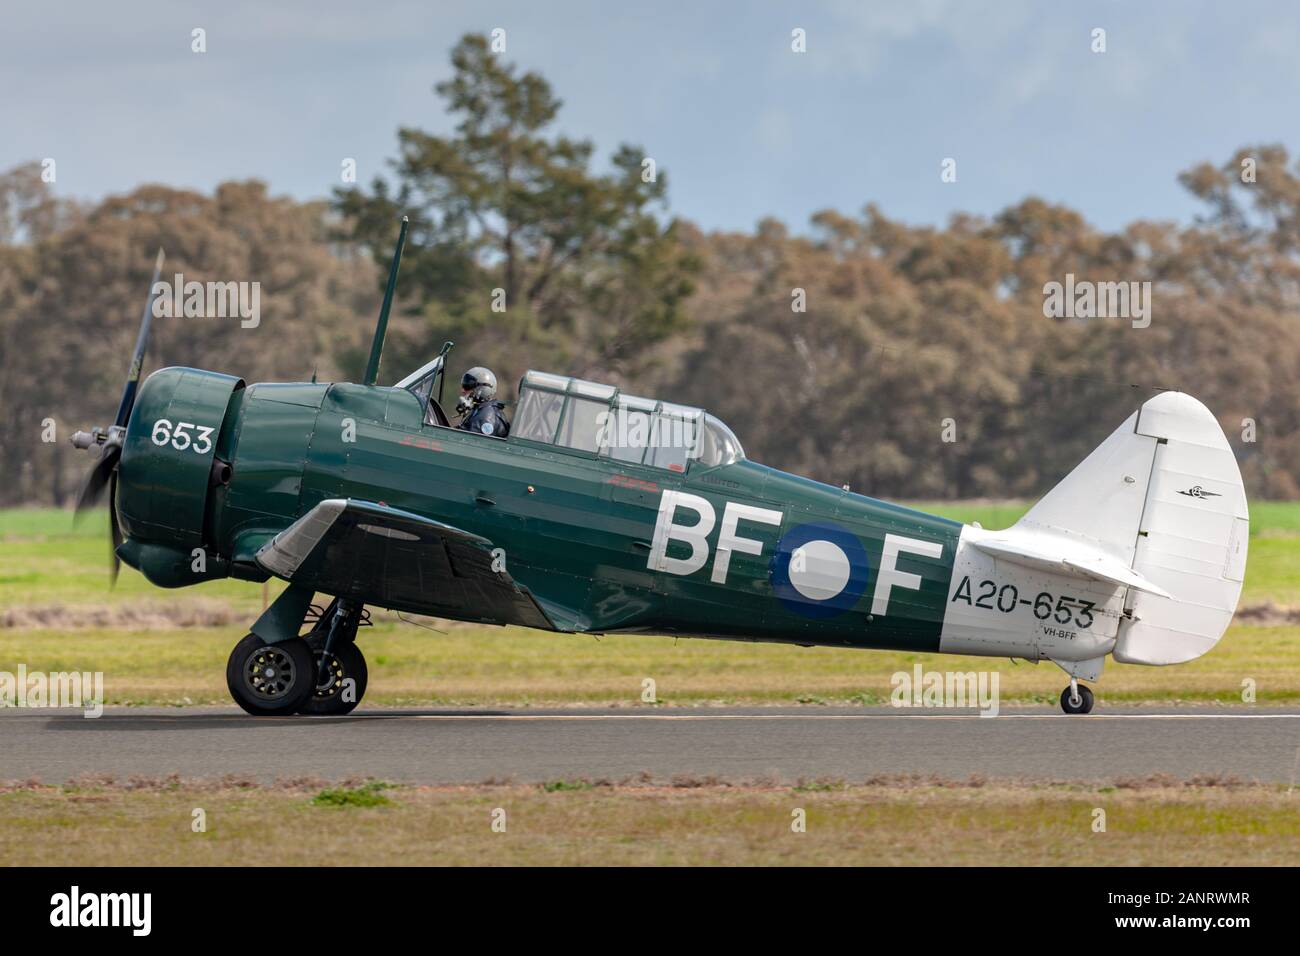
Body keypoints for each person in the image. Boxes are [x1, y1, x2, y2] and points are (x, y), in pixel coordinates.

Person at [456, 366, 510, 437]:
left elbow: (469, 443)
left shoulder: (486, 417)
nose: (462, 391)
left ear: (482, 389)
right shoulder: (482, 410)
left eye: (467, 386)